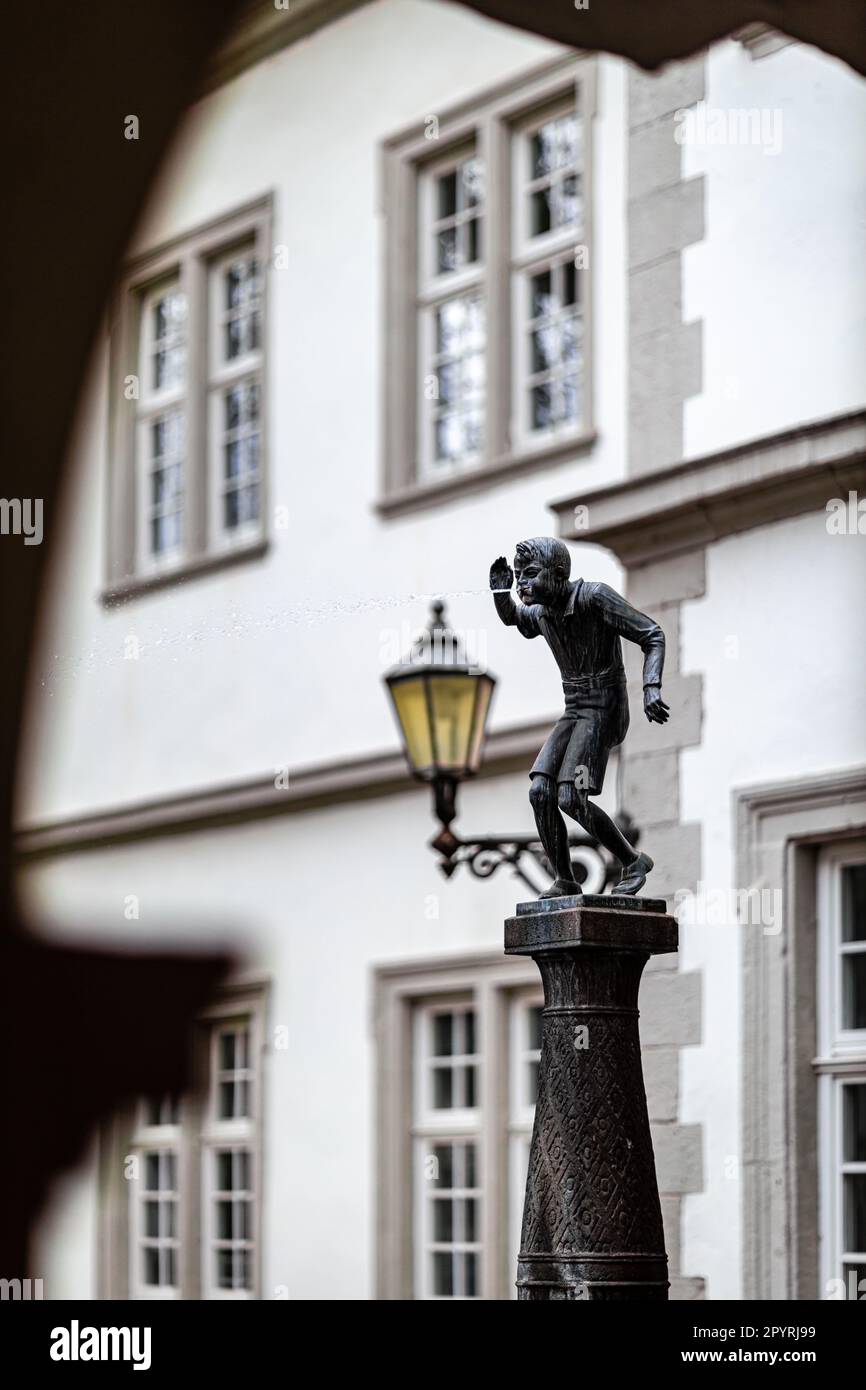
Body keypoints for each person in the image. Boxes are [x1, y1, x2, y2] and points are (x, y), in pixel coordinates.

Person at [490, 536, 670, 897]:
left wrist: (650, 686)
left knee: (571, 797)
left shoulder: (594, 597)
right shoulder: (543, 611)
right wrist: (500, 592)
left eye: (530, 575)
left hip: (605, 710)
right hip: (574, 710)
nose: (523, 583)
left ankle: (632, 861)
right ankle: (565, 879)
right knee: (541, 791)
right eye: (519, 575)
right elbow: (514, 618)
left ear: (558, 574)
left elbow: (652, 634)